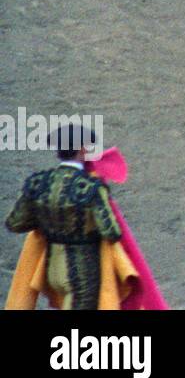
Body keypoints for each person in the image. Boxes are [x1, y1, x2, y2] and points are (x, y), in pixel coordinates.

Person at [6, 124, 122, 310]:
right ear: (82, 148)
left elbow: (15, 223)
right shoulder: (89, 186)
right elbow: (112, 232)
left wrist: (46, 217)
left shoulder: (38, 183)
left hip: (52, 269)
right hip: (82, 273)